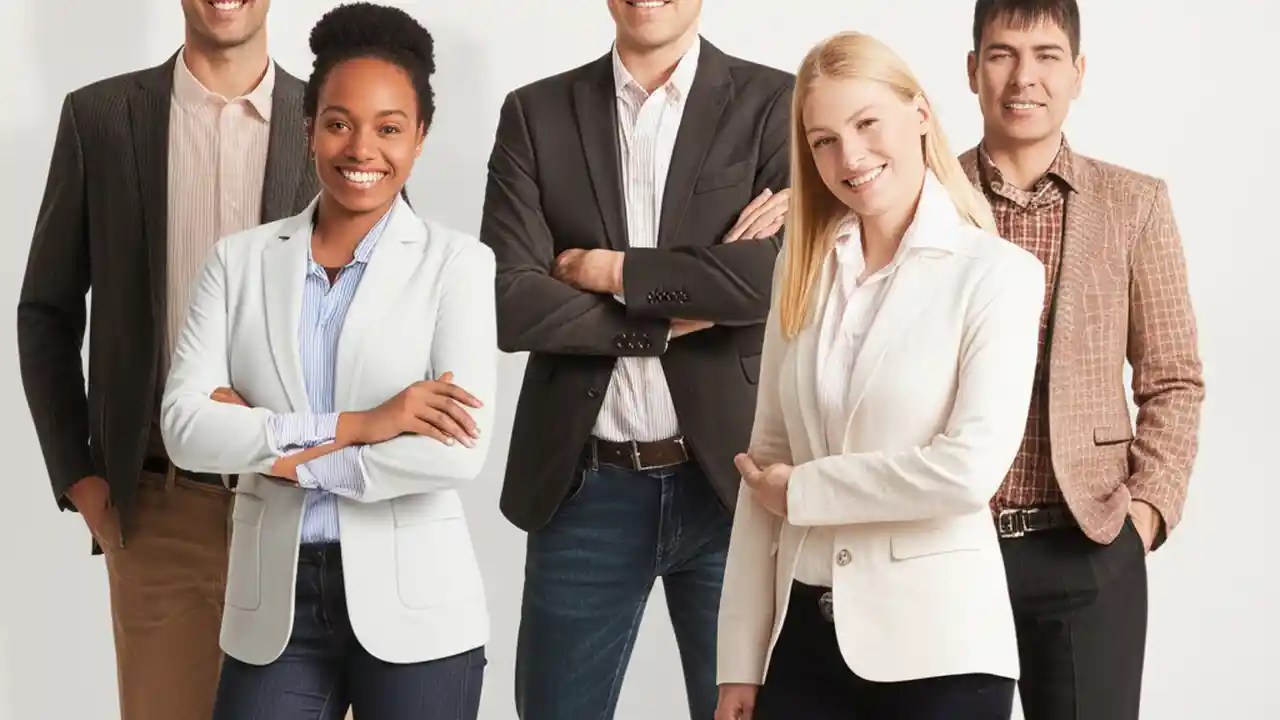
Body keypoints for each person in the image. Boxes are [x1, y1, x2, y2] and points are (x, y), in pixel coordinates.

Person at [160, 4, 496, 718]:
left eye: (389, 128)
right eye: (339, 123)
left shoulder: (457, 265)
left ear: (421, 137)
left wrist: (280, 456)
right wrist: (365, 424)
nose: (361, 148)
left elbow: (457, 453)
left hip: (418, 610)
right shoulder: (238, 263)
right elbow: (185, 429)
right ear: (308, 128)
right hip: (274, 610)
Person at [714, 31, 1046, 720]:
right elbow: (762, 463)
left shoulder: (997, 275)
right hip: (800, 645)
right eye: (824, 141)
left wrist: (805, 492)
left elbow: (966, 471)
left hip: (941, 653)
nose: (851, 157)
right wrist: (739, 664)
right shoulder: (800, 270)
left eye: (867, 124)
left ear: (919, 113)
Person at [479, 0, 793, 716]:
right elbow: (511, 300)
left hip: (732, 489)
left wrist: (610, 270)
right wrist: (672, 317)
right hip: (585, 486)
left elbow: (773, 278)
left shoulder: (774, 103)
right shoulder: (535, 113)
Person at [16, 0, 316, 716]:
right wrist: (78, 474)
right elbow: (46, 312)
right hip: (159, 510)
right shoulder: (100, 119)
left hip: (305, 510)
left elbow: (392, 306)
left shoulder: (333, 118)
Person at [960, 1, 1205, 718]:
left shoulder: (1135, 204)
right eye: (1002, 54)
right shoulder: (924, 197)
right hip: (946, 548)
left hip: (1088, 545)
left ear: (1078, 72)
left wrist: (1145, 514)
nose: (1023, 77)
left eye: (1046, 56)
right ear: (973, 70)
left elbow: (1173, 378)